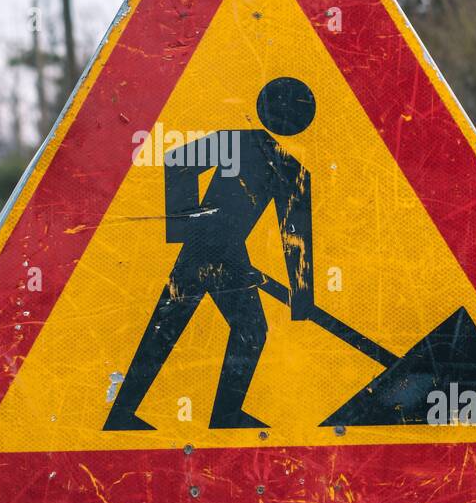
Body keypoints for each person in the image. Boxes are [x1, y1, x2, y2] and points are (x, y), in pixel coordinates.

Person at [104, 77, 317, 430]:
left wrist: (301, 300)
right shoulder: (249, 147)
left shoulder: (287, 166)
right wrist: (187, 228)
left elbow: (295, 234)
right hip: (218, 250)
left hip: (218, 250)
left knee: (167, 326)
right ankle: (224, 416)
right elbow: (177, 160)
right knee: (246, 330)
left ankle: (123, 414)